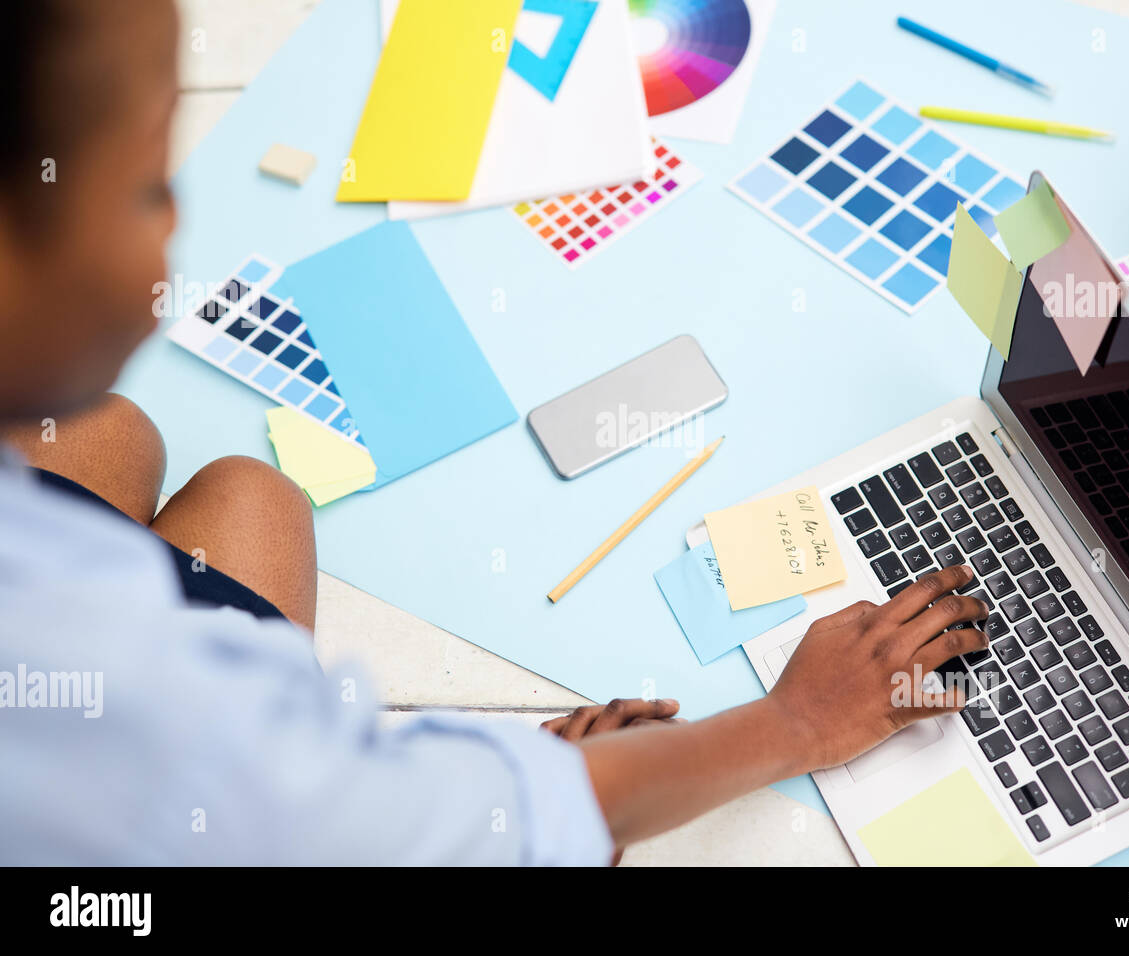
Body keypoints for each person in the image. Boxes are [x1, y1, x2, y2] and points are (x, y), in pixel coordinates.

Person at [0, 0, 990, 865]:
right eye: (144, 186)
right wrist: (796, 719)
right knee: (243, 495)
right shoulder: (155, 725)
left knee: (142, 444)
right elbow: (401, 819)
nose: (176, 228)